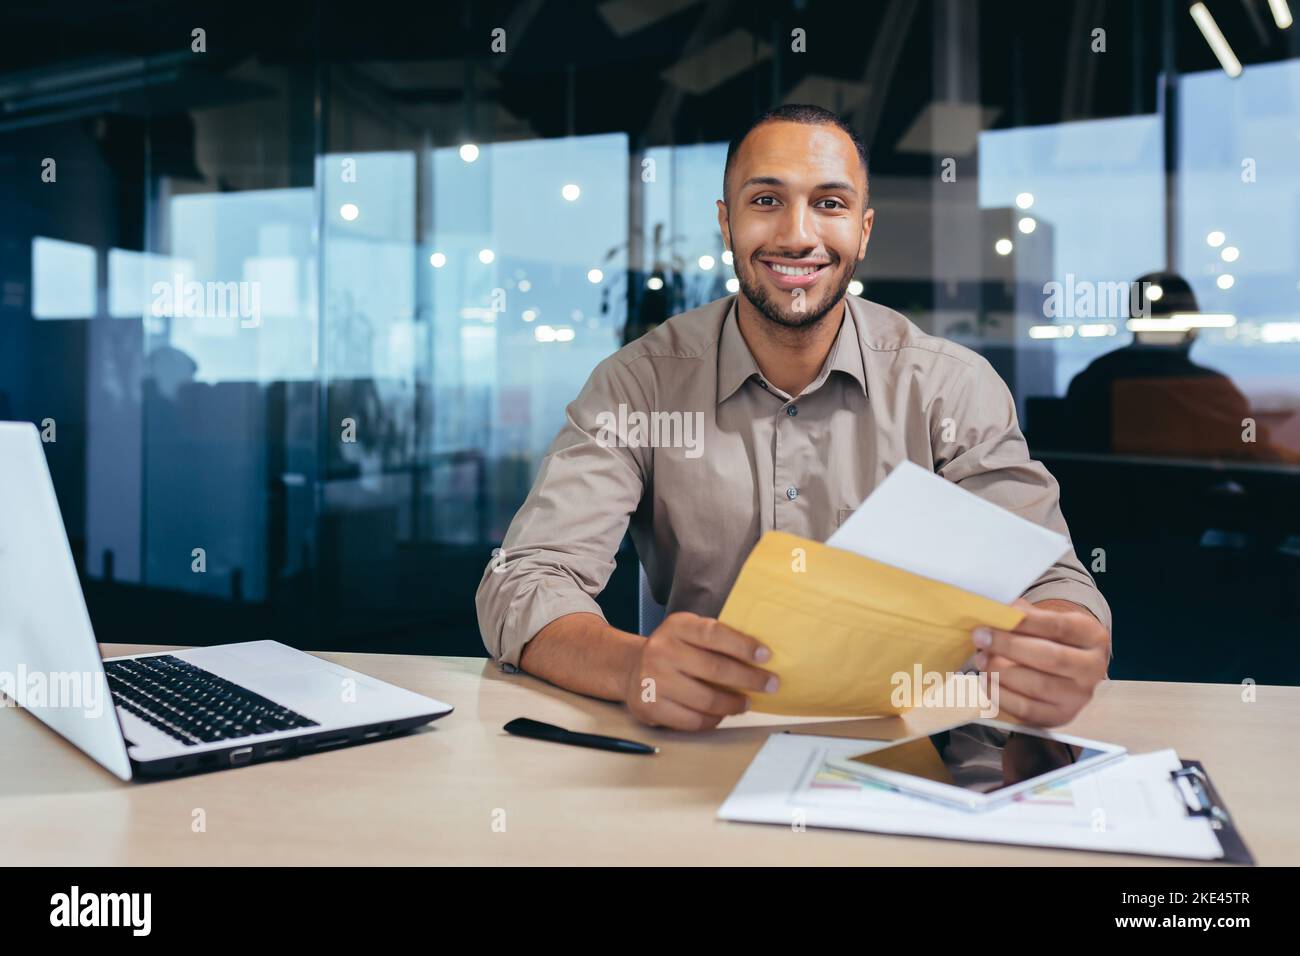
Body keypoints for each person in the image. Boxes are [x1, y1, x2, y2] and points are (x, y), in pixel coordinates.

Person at [476, 105, 1111, 731]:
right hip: (696, 748)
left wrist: (1062, 643)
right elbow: (525, 577)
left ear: (863, 230)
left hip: (914, 747)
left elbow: (1050, 578)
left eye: (829, 204)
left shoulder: (951, 387)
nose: (796, 236)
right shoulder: (639, 385)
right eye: (765, 201)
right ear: (726, 224)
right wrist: (634, 665)